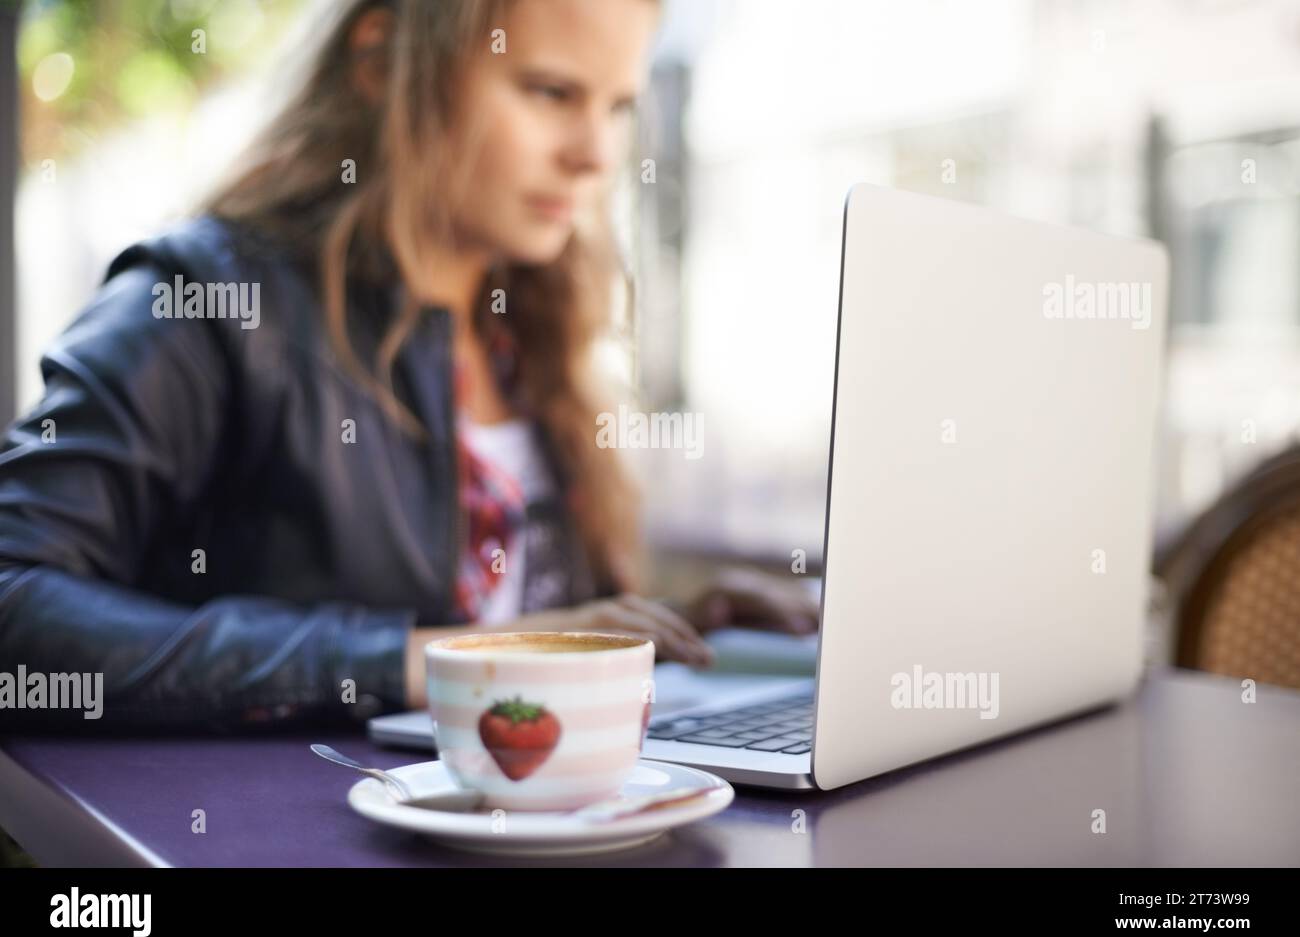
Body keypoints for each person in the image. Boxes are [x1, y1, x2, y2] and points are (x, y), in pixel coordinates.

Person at [0, 0, 817, 731]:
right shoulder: (206, 301)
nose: (595, 154)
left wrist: (667, 627)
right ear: (382, 60)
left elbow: (513, 650)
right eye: (550, 92)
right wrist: (418, 659)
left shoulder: (535, 333)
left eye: (617, 106)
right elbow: (15, 601)